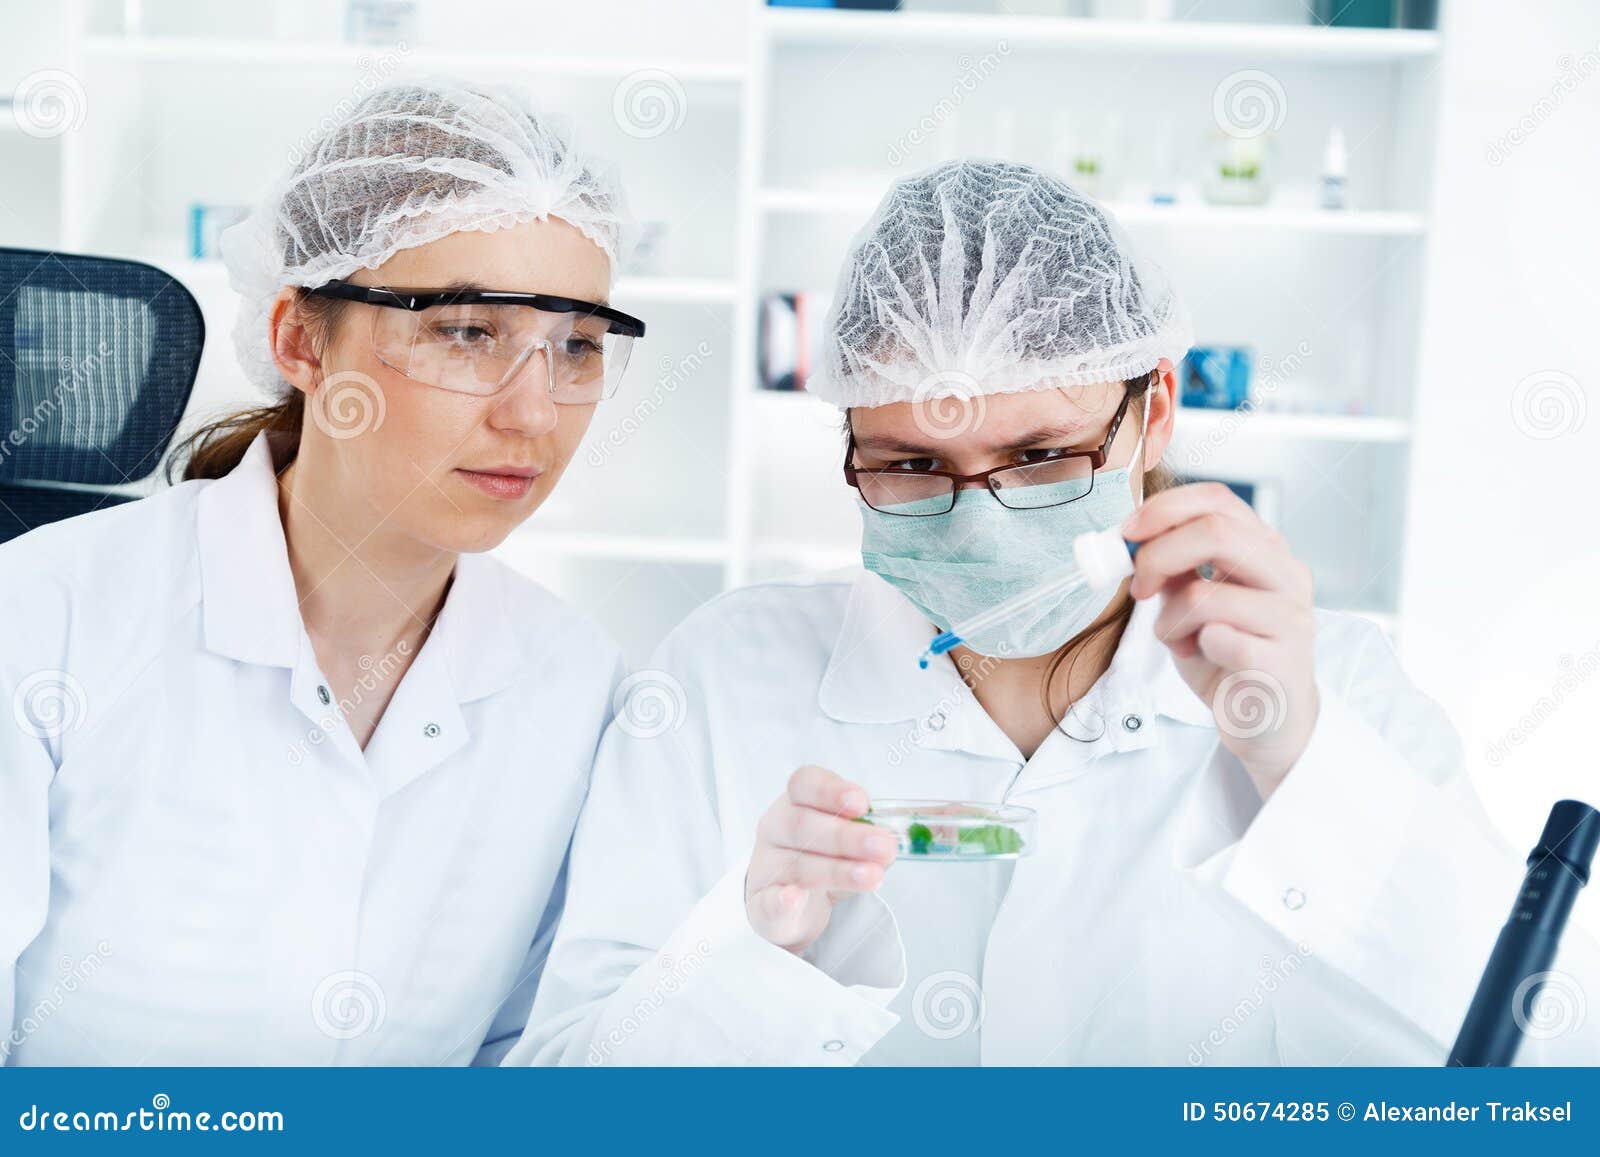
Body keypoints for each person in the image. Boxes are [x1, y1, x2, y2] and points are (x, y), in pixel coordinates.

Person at [513, 160, 1599, 1066]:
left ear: (1154, 408)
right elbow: (556, 1098)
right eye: (910, 465)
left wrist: (1307, 773)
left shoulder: (1336, 688)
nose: (979, 521)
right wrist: (748, 957)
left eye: (1038, 457)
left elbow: (1535, 1062)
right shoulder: (722, 679)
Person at [0, 80, 644, 1064]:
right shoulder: (46, 617)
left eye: (579, 348)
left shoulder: (578, 683)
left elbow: (526, 1058)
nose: (533, 411)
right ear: (300, 338)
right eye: (467, 332)